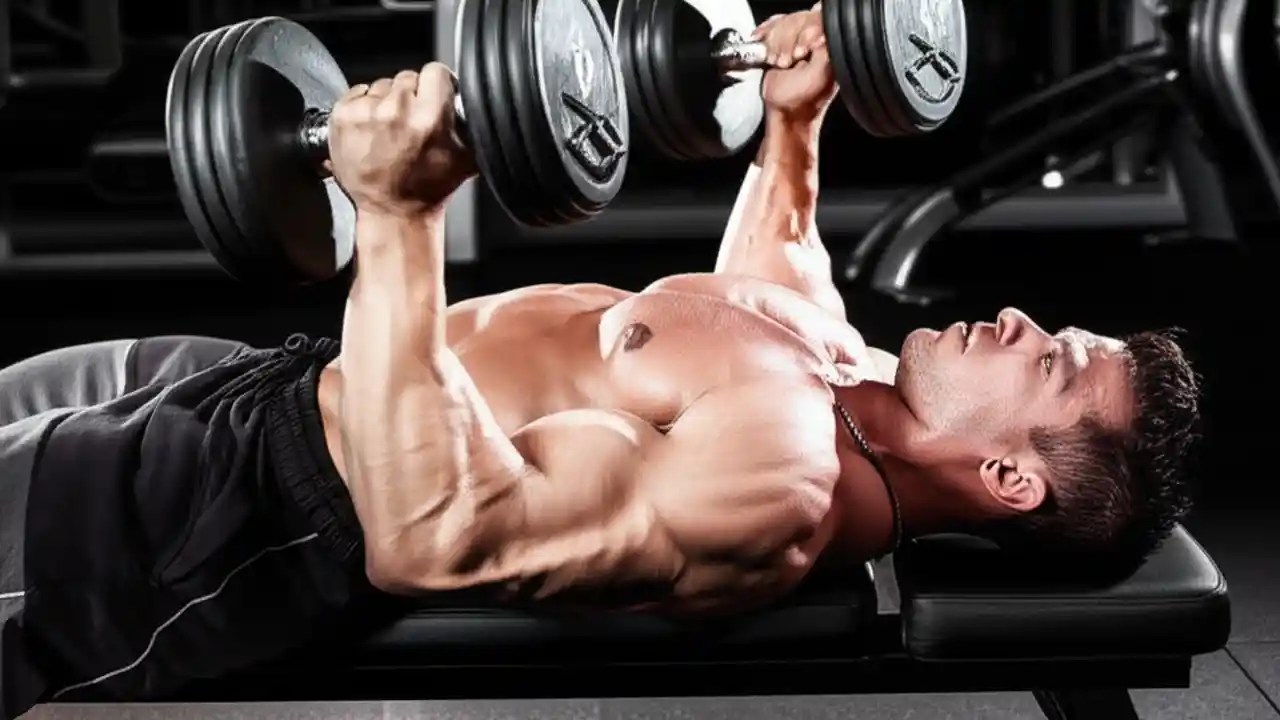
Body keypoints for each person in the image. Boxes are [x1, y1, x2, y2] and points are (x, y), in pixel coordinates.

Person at [0, 8, 1200, 718]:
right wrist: (793, 121)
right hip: (265, 385)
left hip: (251, 508)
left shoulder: (777, 487)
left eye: (1051, 363)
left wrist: (401, 219)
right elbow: (769, 274)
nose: (1018, 320)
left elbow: (433, 536)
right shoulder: (847, 376)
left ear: (1009, 482)